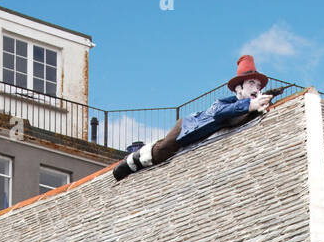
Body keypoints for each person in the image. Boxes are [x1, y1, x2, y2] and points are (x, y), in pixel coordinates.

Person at [113, 55, 273, 181]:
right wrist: (249, 105)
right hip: (187, 126)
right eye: (251, 83)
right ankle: (132, 161)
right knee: (162, 150)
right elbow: (220, 113)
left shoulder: (247, 106)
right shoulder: (225, 103)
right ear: (239, 88)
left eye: (259, 86)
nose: (256, 88)